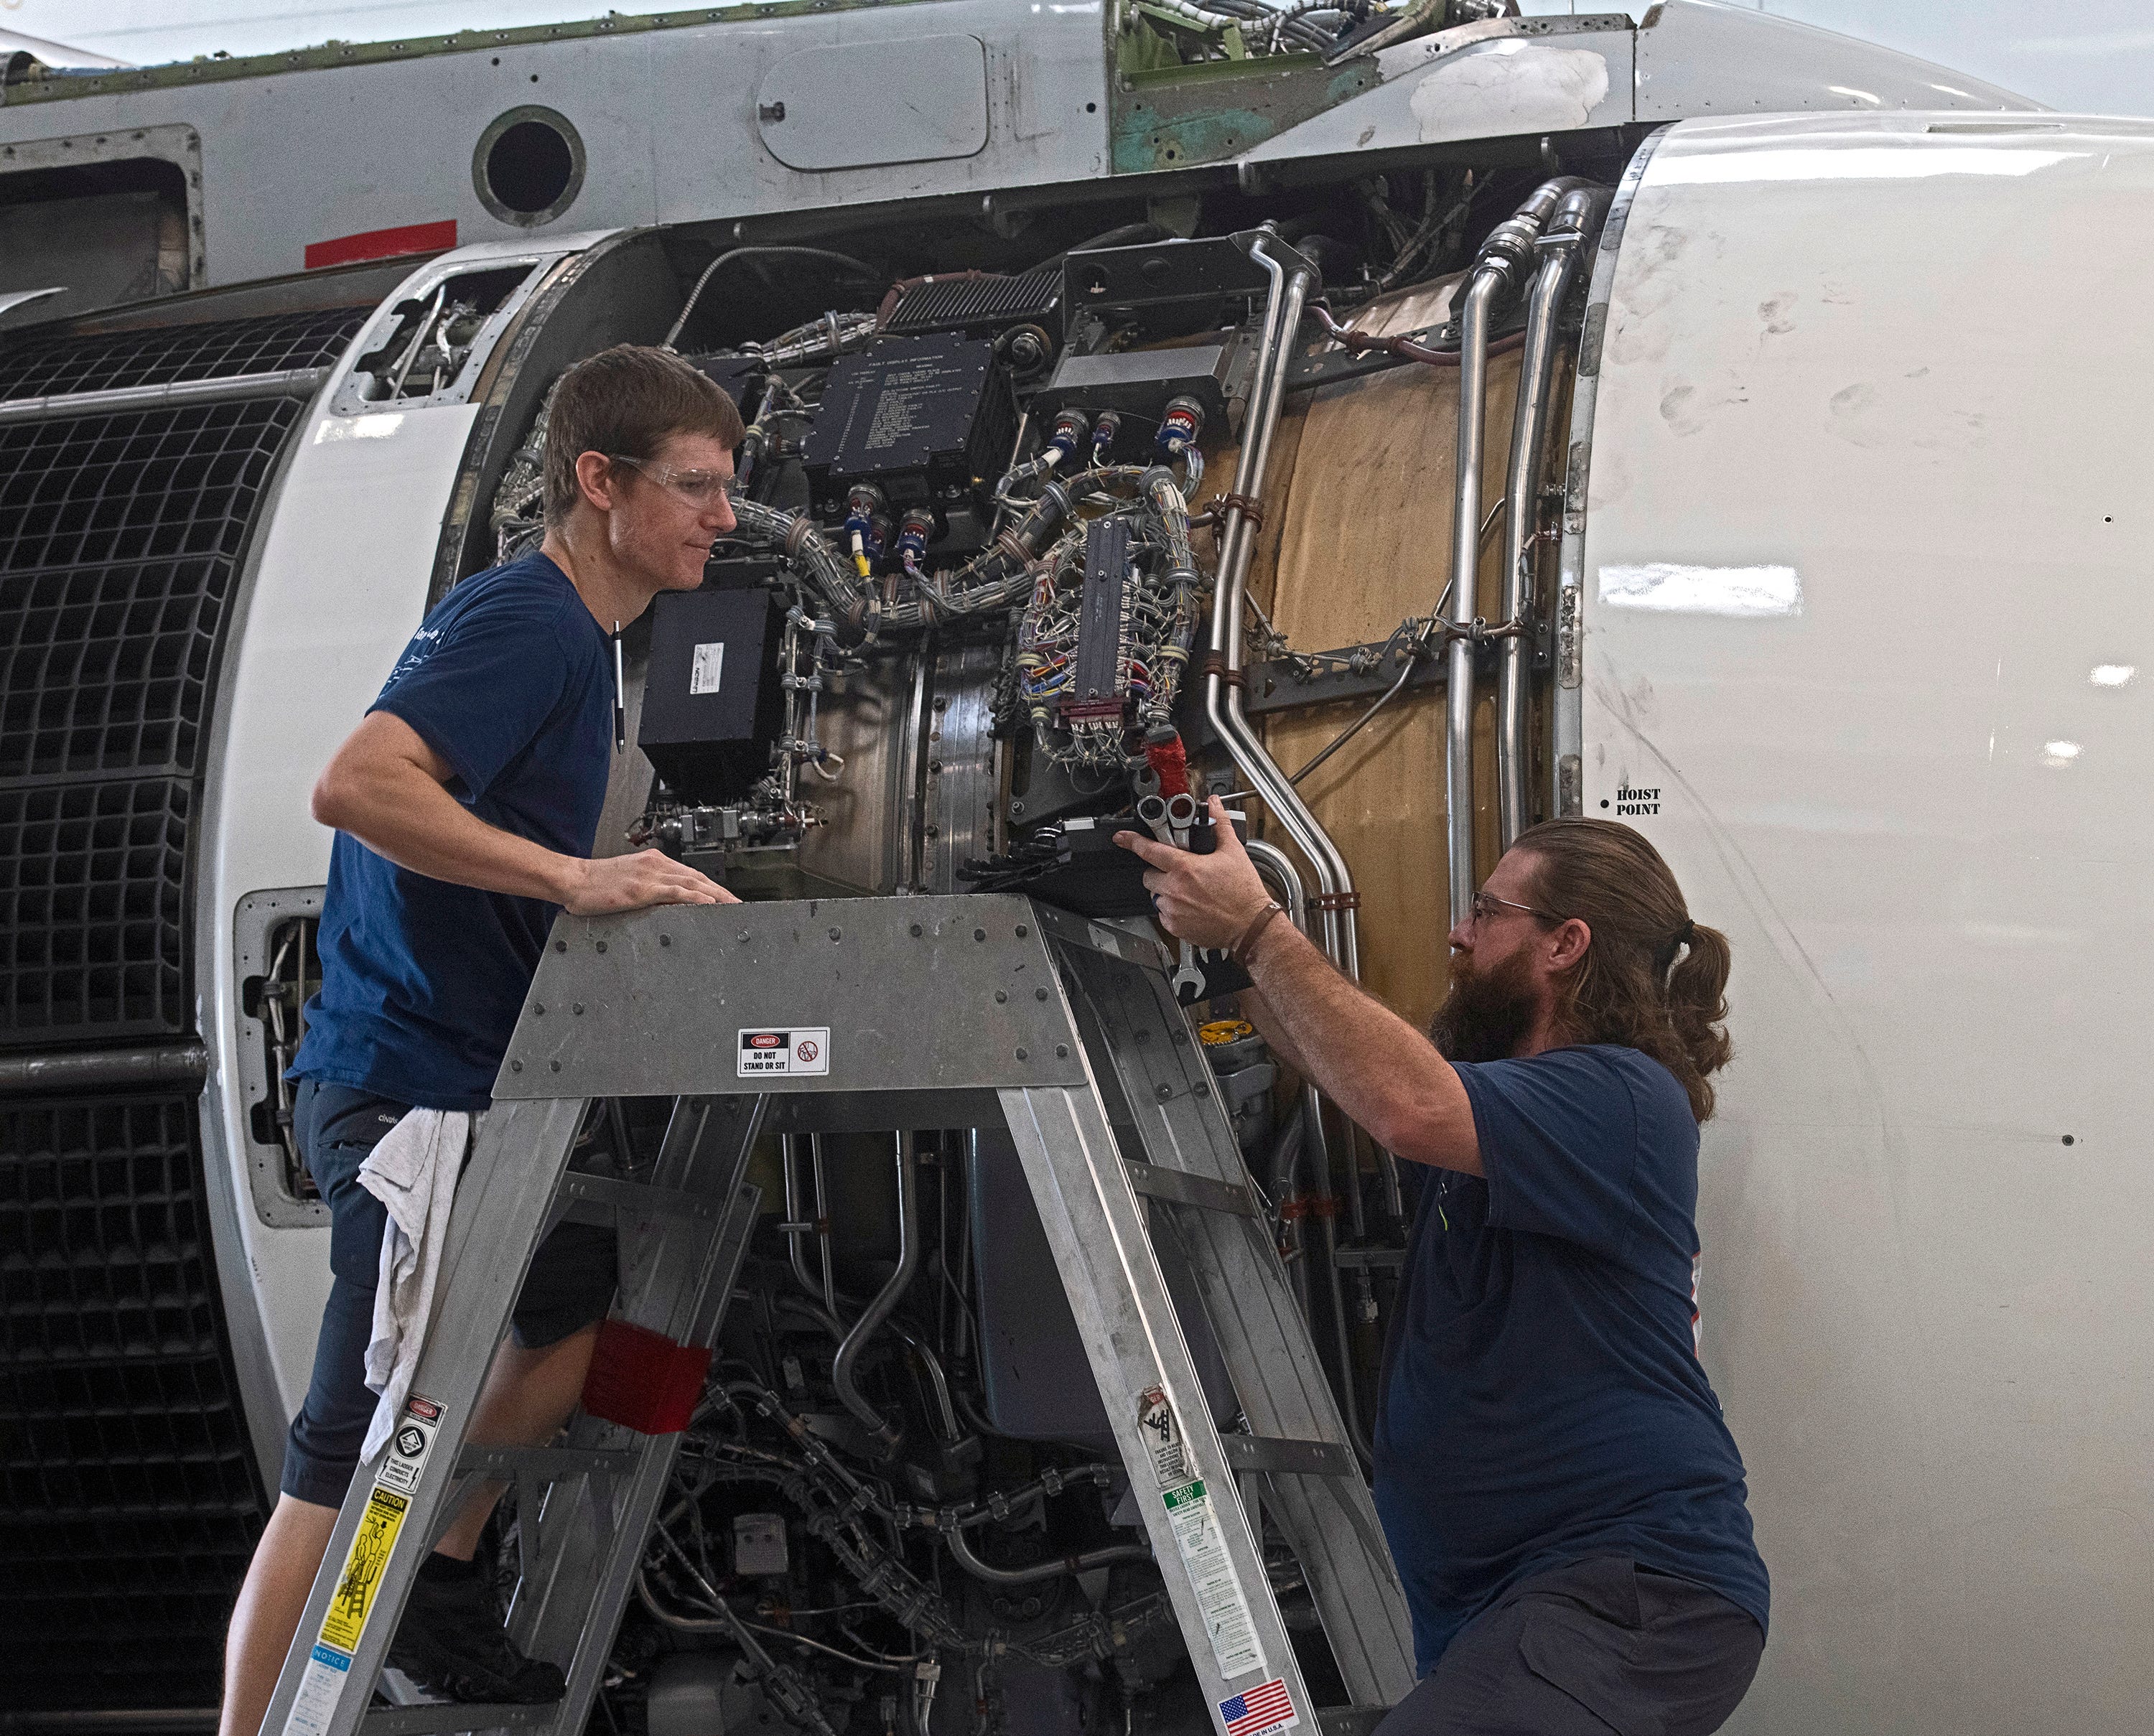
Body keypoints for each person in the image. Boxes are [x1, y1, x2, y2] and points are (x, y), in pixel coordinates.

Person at [219, 345, 747, 1736]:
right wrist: (575, 877)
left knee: (586, 1307)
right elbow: (359, 783)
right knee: (344, 1454)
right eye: (696, 485)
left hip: (468, 1091)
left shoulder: (573, 642)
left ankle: (440, 1579)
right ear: (601, 483)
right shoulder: (534, 623)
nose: (724, 516)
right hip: (406, 1096)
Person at [1118, 806, 1768, 1736]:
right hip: (1522, 1607)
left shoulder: (1621, 1094)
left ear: (1566, 944)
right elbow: (1343, 1063)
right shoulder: (1509, 1113)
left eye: (1488, 911)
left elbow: (1405, 1103)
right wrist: (1226, 950)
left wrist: (1259, 927)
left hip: (1623, 1592)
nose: (1459, 932)